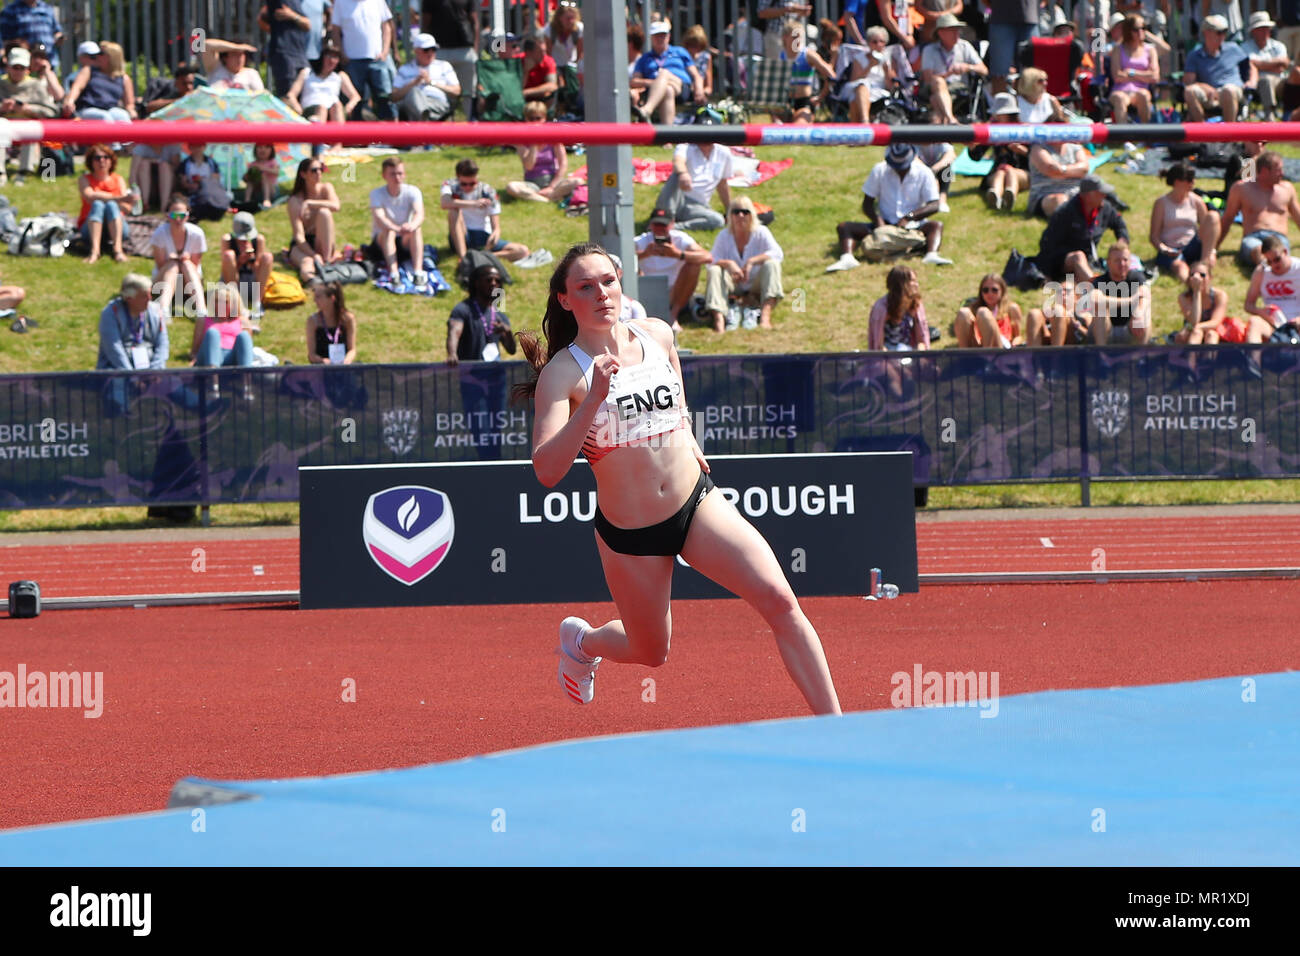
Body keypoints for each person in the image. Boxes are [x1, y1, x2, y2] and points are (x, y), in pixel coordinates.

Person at [513, 242, 841, 716]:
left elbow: (676, 389)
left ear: (621, 279)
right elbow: (546, 469)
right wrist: (592, 401)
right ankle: (584, 643)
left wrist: (686, 434)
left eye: (608, 280)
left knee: (780, 601)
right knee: (652, 652)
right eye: (585, 286)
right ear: (566, 299)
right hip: (632, 534)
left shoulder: (658, 334)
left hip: (696, 504)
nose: (601, 293)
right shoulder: (564, 373)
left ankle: (838, 729)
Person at [827, 142, 951, 271]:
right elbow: (867, 204)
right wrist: (878, 221)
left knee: (936, 226)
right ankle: (847, 257)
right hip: (884, 224)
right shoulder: (879, 170)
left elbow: (935, 205)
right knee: (844, 227)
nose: (899, 169)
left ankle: (931, 254)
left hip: (914, 225)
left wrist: (910, 217)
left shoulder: (924, 172)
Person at [703, 195, 784, 333]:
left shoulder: (761, 232)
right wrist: (728, 264)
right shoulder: (724, 235)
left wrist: (752, 261)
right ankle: (719, 320)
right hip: (732, 285)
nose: (740, 216)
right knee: (715, 270)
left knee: (773, 265)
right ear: (730, 216)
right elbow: (710, 260)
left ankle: (765, 316)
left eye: (745, 212)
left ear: (751, 215)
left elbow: (777, 253)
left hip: (755, 283)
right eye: (736, 212)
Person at [1034, 175, 1129, 282]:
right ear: (1088, 196)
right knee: (1078, 256)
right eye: (1100, 193)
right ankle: (1097, 289)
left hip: (1089, 260)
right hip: (1061, 260)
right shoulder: (1065, 213)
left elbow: (1119, 224)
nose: (1104, 195)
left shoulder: (1104, 208)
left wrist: (1122, 241)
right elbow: (1047, 245)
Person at [1217, 150, 1300, 266]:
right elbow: (1228, 218)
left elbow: (1298, 217)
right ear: (1265, 171)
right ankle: (1267, 270)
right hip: (1252, 237)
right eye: (1278, 170)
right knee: (1258, 251)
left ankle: (1271, 269)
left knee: (1277, 252)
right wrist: (1214, 247)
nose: (1282, 173)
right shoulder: (1242, 188)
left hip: (1278, 238)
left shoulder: (1287, 189)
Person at [442, 157, 531, 265]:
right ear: (457, 177)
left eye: (472, 183)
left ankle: (482, 257)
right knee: (454, 212)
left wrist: (495, 234)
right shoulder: (450, 185)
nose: (468, 187)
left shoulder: (487, 191)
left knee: (522, 251)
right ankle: (464, 258)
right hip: (462, 235)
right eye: (464, 184)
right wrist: (474, 203)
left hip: (483, 236)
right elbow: (445, 203)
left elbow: (496, 227)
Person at [635, 206, 710, 330]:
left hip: (677, 292)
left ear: (672, 225)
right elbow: (618, 259)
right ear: (650, 225)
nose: (659, 230)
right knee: (630, 268)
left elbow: (707, 257)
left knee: (694, 265)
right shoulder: (642, 241)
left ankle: (673, 315)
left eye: (663, 226)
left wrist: (678, 254)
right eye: (656, 225)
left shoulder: (680, 239)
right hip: (648, 292)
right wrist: (644, 254)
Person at [1149, 162, 1220, 283]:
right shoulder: (1161, 203)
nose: (1193, 182)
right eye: (1189, 179)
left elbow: (1207, 227)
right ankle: (1193, 286)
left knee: (1213, 216)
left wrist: (1212, 251)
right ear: (1177, 182)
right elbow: (1154, 237)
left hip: (1192, 245)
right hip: (1172, 249)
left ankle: (1204, 264)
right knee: (1181, 268)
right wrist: (1165, 249)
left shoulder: (1196, 200)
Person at [286, 38, 362, 150]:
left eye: (335, 57)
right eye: (329, 56)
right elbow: (291, 95)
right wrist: (297, 107)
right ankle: (318, 146)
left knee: (337, 105)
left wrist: (350, 106)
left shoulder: (339, 76)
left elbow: (355, 96)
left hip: (333, 112)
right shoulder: (307, 73)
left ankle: (337, 145)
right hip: (310, 111)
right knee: (321, 108)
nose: (332, 60)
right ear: (322, 57)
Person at [0, 45, 56, 185]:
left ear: (27, 69)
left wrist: (28, 109)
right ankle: (1, 172)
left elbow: (51, 111)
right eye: (15, 67)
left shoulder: (36, 85)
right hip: (4, 125)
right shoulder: (1, 83)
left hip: (27, 125)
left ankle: (24, 171)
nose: (18, 71)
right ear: (8, 67)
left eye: (22, 68)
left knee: (30, 127)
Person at [630, 20, 705, 126]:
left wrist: (699, 91)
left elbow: (696, 75)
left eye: (663, 35)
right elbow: (634, 81)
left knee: (664, 73)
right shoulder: (644, 58)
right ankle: (668, 139)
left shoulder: (680, 52)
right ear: (651, 37)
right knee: (668, 90)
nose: (660, 38)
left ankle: (647, 110)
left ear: (669, 36)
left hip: (681, 87)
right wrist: (656, 83)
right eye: (657, 35)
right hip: (660, 90)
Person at [1183, 15, 1254, 123]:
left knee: (1228, 90)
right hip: (1209, 95)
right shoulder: (1194, 55)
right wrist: (1204, 87)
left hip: (1233, 91)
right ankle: (1202, 133)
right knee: (1190, 91)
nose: (1223, 36)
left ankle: (1229, 135)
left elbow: (1251, 66)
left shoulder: (1233, 48)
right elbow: (1189, 82)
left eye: (1225, 32)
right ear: (1206, 33)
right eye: (1219, 32)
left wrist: (1251, 81)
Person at [505, 100, 580, 203]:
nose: (535, 122)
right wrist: (533, 144)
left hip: (553, 180)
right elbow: (528, 166)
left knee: (578, 181)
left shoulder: (553, 137)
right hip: (532, 183)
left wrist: (551, 186)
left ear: (544, 118)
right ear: (526, 119)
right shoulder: (520, 142)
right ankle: (546, 200)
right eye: (531, 119)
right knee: (511, 187)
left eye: (538, 118)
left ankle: (543, 197)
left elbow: (563, 164)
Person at [331, 0, 395, 120]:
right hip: (352, 61)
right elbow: (335, 30)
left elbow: (387, 26)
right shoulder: (340, 3)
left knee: (386, 99)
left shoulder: (378, 1)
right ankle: (356, 137)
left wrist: (385, 51)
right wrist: (342, 54)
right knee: (355, 103)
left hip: (377, 60)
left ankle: (393, 136)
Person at [98, 273, 169, 382]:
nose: (149, 299)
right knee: (119, 389)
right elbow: (114, 350)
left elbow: (163, 345)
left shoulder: (155, 311)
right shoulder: (111, 313)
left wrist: (155, 371)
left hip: (152, 371)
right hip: (118, 372)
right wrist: (133, 378)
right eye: (144, 296)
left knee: (182, 392)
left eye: (150, 295)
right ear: (129, 298)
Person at [190, 282, 256, 397]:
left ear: (233, 304)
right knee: (213, 333)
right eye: (217, 301)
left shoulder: (242, 321)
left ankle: (247, 386)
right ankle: (213, 385)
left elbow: (247, 348)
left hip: (232, 356)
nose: (220, 305)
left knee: (244, 336)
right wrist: (193, 358)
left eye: (225, 302)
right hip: (210, 357)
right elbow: (195, 351)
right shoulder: (204, 320)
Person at [920, 14, 987, 124]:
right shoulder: (929, 50)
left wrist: (968, 67)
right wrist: (949, 73)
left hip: (958, 88)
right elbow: (928, 79)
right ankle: (951, 119)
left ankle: (944, 124)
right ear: (941, 33)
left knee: (935, 100)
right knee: (938, 82)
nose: (957, 33)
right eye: (952, 30)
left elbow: (984, 70)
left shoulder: (964, 46)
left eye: (957, 30)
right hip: (933, 87)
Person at [655, 138, 734, 231]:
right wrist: (683, 173)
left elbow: (722, 184)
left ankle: (672, 228)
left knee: (718, 220)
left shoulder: (724, 153)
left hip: (698, 206)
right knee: (676, 176)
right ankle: (664, 217)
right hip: (677, 198)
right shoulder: (685, 147)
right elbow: (678, 162)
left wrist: (730, 210)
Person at [1173, 265, 1263, 347]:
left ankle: (1210, 363)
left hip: (1211, 329)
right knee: (1196, 334)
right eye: (1193, 275)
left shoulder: (1219, 296)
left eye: (1202, 275)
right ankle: (1191, 363)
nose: (1198, 279)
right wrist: (1197, 293)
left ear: (1210, 278)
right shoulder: (1184, 297)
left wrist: (1194, 327)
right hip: (1192, 331)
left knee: (1211, 335)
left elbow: (1215, 322)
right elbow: (1193, 320)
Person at [370, 156, 426, 285]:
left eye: (400, 173)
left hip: (404, 238)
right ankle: (394, 274)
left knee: (417, 229)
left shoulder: (413, 191)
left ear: (404, 174)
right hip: (382, 240)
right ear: (384, 176)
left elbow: (420, 213)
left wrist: (411, 225)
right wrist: (396, 228)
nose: (397, 178)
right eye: (393, 174)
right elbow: (380, 217)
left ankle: (418, 272)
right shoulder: (376, 194)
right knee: (388, 230)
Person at [970, 91, 1029, 211]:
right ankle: (995, 195)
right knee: (1001, 172)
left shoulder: (1024, 131)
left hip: (1021, 171)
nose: (996, 117)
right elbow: (976, 156)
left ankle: (1010, 195)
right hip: (998, 171)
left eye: (1001, 113)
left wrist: (1021, 150)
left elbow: (1035, 158)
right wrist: (972, 146)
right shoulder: (993, 130)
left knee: (1010, 171)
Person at [446, 262, 516, 364]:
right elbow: (454, 332)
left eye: (497, 281)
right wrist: (452, 354)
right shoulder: (463, 309)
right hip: (470, 375)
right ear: (476, 282)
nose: (493, 283)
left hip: (495, 375)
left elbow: (511, 350)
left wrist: (508, 332)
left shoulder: (500, 316)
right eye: (488, 280)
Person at [152, 194, 207, 318]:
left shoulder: (197, 234)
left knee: (187, 264)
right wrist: (171, 259)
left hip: (189, 281)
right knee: (173, 265)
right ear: (167, 215)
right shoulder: (159, 234)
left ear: (187, 216)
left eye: (181, 216)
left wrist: (185, 259)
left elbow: (195, 264)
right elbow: (160, 266)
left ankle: (201, 310)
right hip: (163, 281)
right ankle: (164, 309)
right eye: (173, 215)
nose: (177, 220)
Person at [287, 156, 341, 283]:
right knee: (307, 262)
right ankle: (314, 282)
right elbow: (299, 236)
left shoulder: (326, 188)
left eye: (320, 169)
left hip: (323, 241)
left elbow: (336, 206)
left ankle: (326, 263)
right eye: (314, 170)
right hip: (304, 244)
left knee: (324, 212)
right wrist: (313, 254)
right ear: (303, 174)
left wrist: (311, 203)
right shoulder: (295, 201)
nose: (319, 173)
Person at [76, 143, 131, 264]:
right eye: (97, 158)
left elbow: (127, 208)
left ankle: (118, 250)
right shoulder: (84, 179)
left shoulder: (118, 179)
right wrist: (117, 198)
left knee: (111, 206)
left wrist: (114, 201)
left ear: (111, 161)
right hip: (89, 229)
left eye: (106, 157)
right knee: (97, 205)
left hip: (118, 227)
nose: (102, 161)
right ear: (91, 161)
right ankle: (95, 251)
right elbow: (89, 197)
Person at [1086, 241, 1151, 344]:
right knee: (1100, 310)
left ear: (1130, 261)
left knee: (1144, 310)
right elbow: (1096, 300)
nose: (1122, 264)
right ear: (1108, 262)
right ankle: (1100, 355)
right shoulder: (1100, 281)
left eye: (1125, 260)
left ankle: (1140, 357)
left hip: (1129, 330)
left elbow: (1145, 294)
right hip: (1104, 333)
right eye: (1117, 260)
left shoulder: (1136, 277)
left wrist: (1139, 313)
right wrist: (1130, 300)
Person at [422, 0, 477, 118]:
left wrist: (475, 48)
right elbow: (426, 22)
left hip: (465, 50)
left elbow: (474, 20)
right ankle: (443, 124)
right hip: (440, 50)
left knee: (469, 92)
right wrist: (426, 49)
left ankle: (473, 124)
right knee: (441, 91)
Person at [62, 39, 134, 125]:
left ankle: (127, 139)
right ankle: (112, 139)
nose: (97, 57)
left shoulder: (123, 78)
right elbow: (77, 87)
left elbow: (129, 104)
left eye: (101, 54)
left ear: (112, 57)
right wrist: (70, 101)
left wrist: (131, 111)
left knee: (122, 116)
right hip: (87, 109)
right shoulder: (89, 70)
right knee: (103, 117)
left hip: (111, 109)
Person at [391, 31, 459, 122]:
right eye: (426, 50)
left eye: (433, 49)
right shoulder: (404, 69)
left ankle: (422, 121)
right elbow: (394, 96)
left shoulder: (444, 66)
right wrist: (414, 83)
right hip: (409, 104)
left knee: (415, 108)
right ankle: (423, 119)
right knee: (414, 92)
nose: (430, 53)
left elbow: (456, 91)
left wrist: (431, 82)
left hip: (436, 103)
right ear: (416, 50)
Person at [221, 211, 274, 319]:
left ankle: (256, 303)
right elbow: (225, 269)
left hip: (252, 282)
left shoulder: (258, 240)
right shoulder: (227, 240)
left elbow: (258, 270)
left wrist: (252, 260)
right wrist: (239, 261)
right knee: (229, 255)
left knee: (267, 257)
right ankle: (236, 303)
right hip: (232, 284)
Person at [1244, 233, 1300, 333]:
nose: (1273, 265)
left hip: (1297, 321)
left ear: (1285, 252)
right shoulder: (1262, 271)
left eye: (1277, 259)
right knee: (1254, 322)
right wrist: (1261, 312)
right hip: (1273, 325)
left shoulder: (1298, 268)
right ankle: (1254, 349)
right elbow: (1248, 305)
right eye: (1269, 262)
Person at [261, 0, 317, 98]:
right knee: (287, 96)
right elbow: (261, 17)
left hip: (300, 54)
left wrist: (292, 16)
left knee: (303, 95)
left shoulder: (297, 3)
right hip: (284, 54)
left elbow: (307, 25)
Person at [783, 21, 835, 124]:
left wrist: (820, 98)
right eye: (794, 37)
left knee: (797, 130)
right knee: (776, 132)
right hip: (785, 104)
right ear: (785, 37)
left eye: (800, 37)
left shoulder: (808, 55)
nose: (798, 41)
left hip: (804, 103)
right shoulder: (781, 56)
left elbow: (831, 75)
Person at [869, 264, 931, 351]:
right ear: (900, 284)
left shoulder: (916, 305)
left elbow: (922, 338)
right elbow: (879, 346)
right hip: (888, 356)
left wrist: (921, 354)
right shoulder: (881, 308)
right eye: (912, 281)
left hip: (910, 353)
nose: (917, 284)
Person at [1108, 15, 1158, 122]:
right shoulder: (1118, 49)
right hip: (1120, 90)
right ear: (1128, 31)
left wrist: (1130, 72)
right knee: (1120, 99)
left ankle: (1146, 136)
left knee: (1143, 95)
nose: (1140, 32)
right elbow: (1117, 76)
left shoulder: (1150, 50)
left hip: (1141, 91)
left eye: (1143, 28)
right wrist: (1144, 75)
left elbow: (1154, 77)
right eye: (1136, 29)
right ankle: (1124, 137)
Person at [1026, 138, 1091, 219]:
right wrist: (1075, 171)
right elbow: (1050, 169)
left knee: (1099, 194)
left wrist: (1062, 169)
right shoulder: (1038, 147)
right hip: (1046, 194)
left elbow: (1084, 169)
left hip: (1076, 192)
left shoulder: (1075, 146)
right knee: (1060, 199)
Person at [841, 26, 895, 123]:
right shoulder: (859, 58)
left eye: (881, 41)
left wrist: (887, 72)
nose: (878, 44)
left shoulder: (888, 59)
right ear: (869, 43)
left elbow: (891, 87)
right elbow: (854, 80)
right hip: (857, 88)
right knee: (862, 86)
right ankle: (865, 121)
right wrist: (870, 66)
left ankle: (859, 129)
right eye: (874, 42)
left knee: (854, 100)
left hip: (878, 92)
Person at [954, 273, 1024, 347]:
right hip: (978, 345)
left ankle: (988, 355)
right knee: (963, 313)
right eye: (985, 290)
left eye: (994, 290)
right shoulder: (974, 309)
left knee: (983, 313)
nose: (990, 293)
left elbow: (1018, 336)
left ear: (1002, 291)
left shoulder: (1011, 308)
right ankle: (964, 355)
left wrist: (1015, 343)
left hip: (1000, 347)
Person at [1241, 10, 1287, 119]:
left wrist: (1258, 65)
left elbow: (1283, 66)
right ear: (1253, 31)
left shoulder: (1278, 46)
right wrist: (1274, 64)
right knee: (1266, 80)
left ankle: (1290, 116)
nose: (1265, 31)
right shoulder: (1245, 47)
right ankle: (1269, 116)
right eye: (1261, 28)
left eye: (1267, 28)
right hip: (1256, 85)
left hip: (1279, 83)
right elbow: (1249, 65)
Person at [1025, 272, 1094, 345]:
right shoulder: (1048, 314)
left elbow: (1092, 339)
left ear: (1076, 297)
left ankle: (1056, 354)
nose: (1062, 293)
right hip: (1048, 342)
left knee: (1059, 311)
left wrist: (1076, 325)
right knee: (1034, 314)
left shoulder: (1084, 315)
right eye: (1059, 291)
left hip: (1072, 343)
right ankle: (1033, 354)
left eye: (1067, 291)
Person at [987, 0, 1037, 94]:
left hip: (1030, 18)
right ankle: (1001, 107)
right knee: (999, 73)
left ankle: (1027, 107)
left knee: (1032, 74)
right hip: (1000, 17)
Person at [175, 141, 233, 222]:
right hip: (193, 194)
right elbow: (183, 182)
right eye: (194, 146)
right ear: (190, 147)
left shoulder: (211, 162)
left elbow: (216, 178)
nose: (197, 149)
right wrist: (192, 185)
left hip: (210, 193)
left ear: (204, 147)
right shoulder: (185, 163)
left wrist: (203, 181)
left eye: (199, 146)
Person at [0, 0, 62, 72]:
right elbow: (4, 39)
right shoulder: (10, 10)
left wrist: (59, 38)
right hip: (22, 66)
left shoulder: (46, 8)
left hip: (48, 62)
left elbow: (57, 31)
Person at [306, 279, 358, 364]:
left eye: (318, 297)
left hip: (343, 366)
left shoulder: (348, 319)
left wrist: (346, 361)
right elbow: (311, 355)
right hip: (321, 368)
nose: (314, 300)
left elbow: (352, 349)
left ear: (332, 298)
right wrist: (326, 362)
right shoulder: (312, 321)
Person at [521, 31, 557, 106]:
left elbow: (552, 85)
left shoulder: (548, 61)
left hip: (540, 101)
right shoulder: (519, 61)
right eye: (540, 52)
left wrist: (527, 92)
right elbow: (517, 89)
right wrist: (526, 71)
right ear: (528, 53)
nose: (544, 55)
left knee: (550, 96)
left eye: (544, 51)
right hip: (521, 101)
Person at [244, 142, 282, 210]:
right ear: (255, 150)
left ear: (271, 150)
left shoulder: (273, 162)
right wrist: (248, 176)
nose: (263, 149)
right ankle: (247, 200)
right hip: (257, 192)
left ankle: (266, 200)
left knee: (263, 176)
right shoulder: (253, 164)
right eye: (260, 147)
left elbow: (277, 172)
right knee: (251, 181)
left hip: (272, 191)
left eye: (266, 147)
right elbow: (245, 179)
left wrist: (263, 168)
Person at [682, 25, 712, 101]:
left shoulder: (706, 57)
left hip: (700, 92)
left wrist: (703, 91)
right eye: (691, 45)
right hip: (685, 90)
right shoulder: (682, 55)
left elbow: (709, 87)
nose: (694, 49)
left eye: (697, 46)